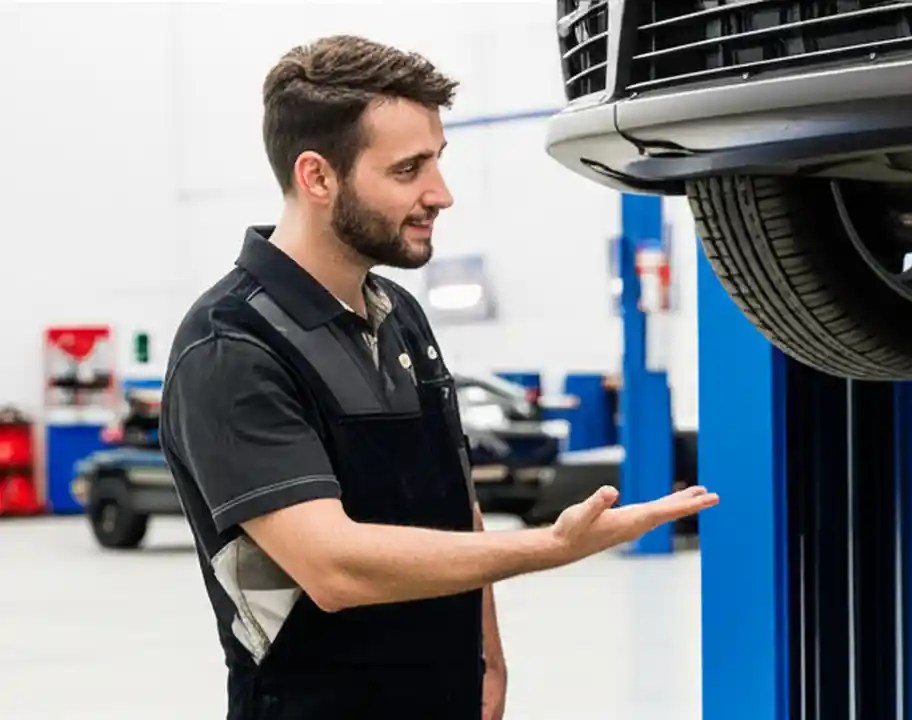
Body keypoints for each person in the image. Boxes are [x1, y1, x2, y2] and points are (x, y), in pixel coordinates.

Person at [158, 34, 719, 720]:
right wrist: (549, 546)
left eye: (439, 162)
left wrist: (489, 657)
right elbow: (334, 568)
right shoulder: (231, 346)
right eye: (408, 170)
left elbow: (457, 502)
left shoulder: (400, 316)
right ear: (317, 177)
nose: (441, 194)